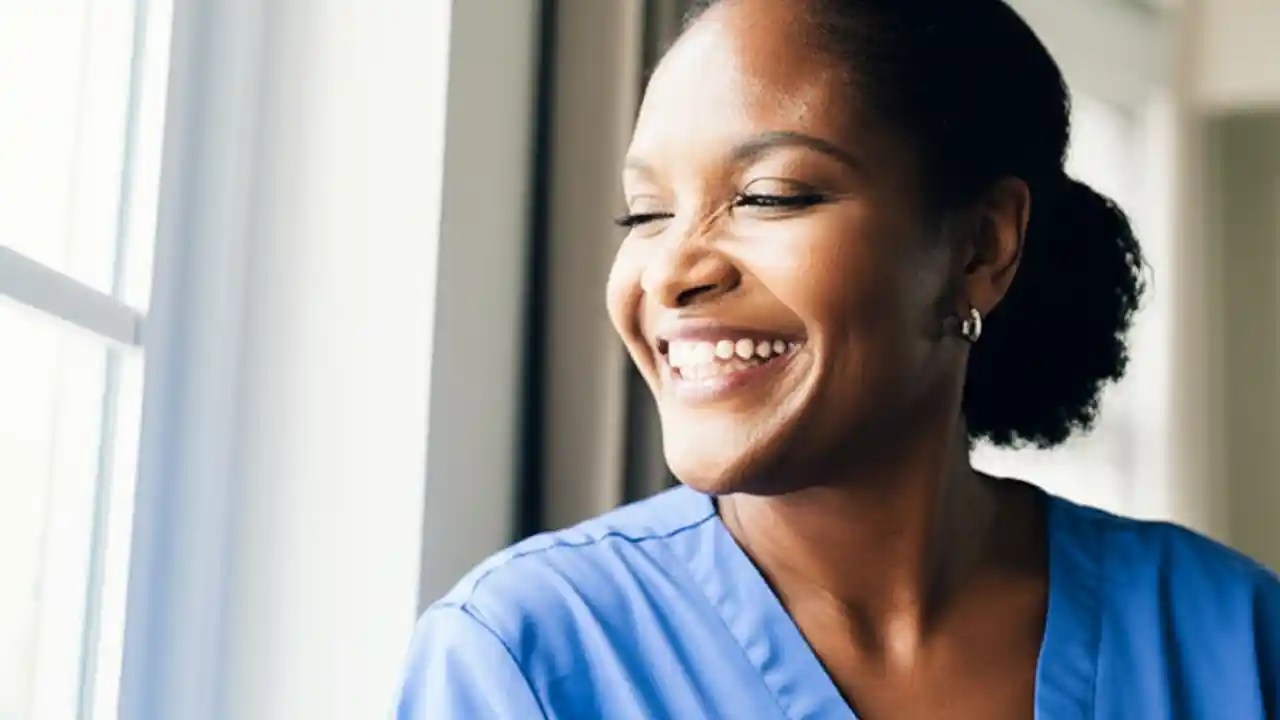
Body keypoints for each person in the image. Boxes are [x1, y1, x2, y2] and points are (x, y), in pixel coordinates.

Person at [397, 0, 1279, 717]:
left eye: (770, 195)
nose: (670, 268)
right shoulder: (525, 659)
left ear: (978, 248)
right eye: (646, 213)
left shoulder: (1236, 639)